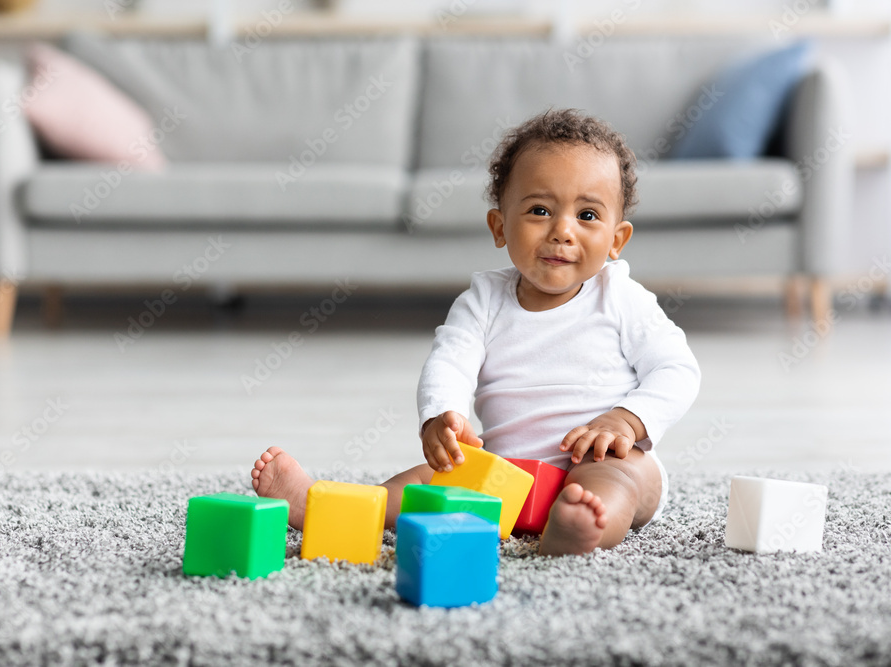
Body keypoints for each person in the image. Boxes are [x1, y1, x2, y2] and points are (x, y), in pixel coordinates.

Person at [251, 109, 700, 556]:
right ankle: (321, 505)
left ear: (617, 240)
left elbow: (677, 369)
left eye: (587, 215)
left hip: (605, 459)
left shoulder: (621, 297)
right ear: (500, 227)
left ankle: (578, 529)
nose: (562, 231)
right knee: (425, 482)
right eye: (540, 210)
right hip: (506, 476)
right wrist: (441, 417)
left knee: (616, 483)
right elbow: (449, 362)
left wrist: (625, 420)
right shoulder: (483, 300)